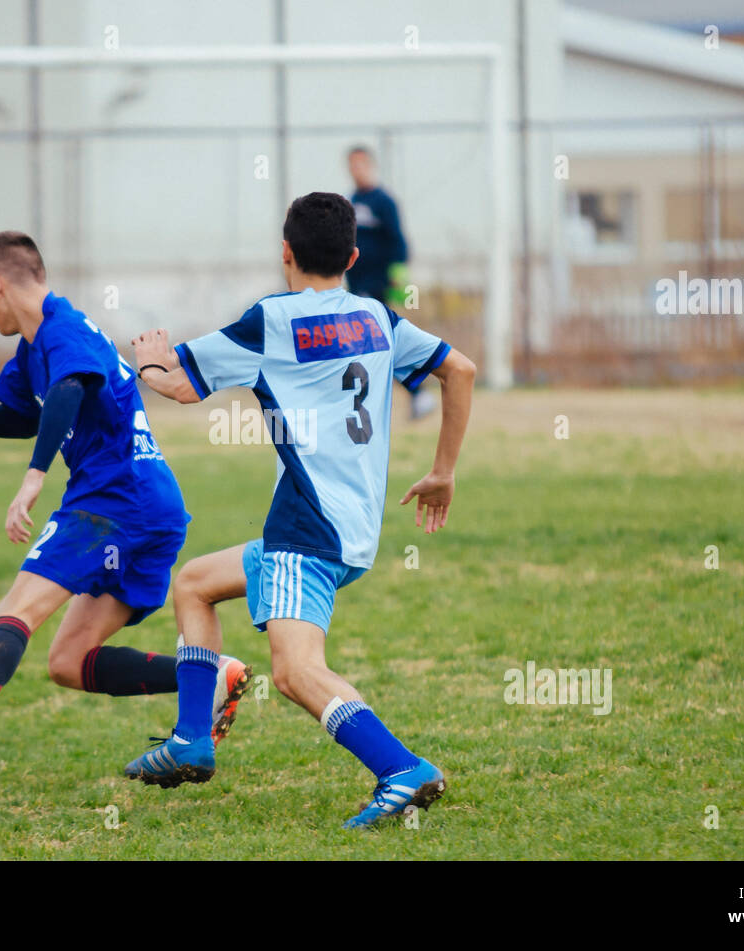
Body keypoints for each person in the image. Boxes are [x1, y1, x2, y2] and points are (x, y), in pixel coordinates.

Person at [123, 194, 476, 827]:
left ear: (284, 251)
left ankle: (401, 768)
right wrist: (443, 471)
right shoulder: (377, 316)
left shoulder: (273, 320)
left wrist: (150, 352)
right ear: (353, 256)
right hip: (356, 524)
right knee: (196, 585)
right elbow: (461, 371)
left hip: (307, 522)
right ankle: (190, 741)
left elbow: (176, 384)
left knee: (294, 672)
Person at [0, 231, 250, 787]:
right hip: (149, 507)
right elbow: (27, 415)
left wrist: (34, 478)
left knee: (15, 610)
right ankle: (211, 678)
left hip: (113, 502)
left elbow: (68, 390)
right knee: (69, 662)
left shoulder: (65, 330)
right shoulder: (32, 350)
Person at [346, 144, 437, 420]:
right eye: (352, 164)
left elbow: (398, 243)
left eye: (361, 164)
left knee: (375, 345)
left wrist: (399, 284)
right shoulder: (349, 201)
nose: (356, 169)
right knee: (372, 346)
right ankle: (414, 394)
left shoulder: (384, 201)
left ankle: (417, 393)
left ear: (371, 165)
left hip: (379, 286)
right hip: (357, 286)